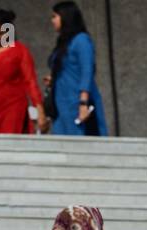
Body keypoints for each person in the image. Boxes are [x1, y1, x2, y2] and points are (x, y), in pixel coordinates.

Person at [45, 2, 107, 136]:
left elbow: (87, 71)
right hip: (62, 103)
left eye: (55, 16)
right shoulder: (63, 42)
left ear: (65, 17)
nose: (52, 21)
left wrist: (83, 102)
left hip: (77, 102)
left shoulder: (82, 40)